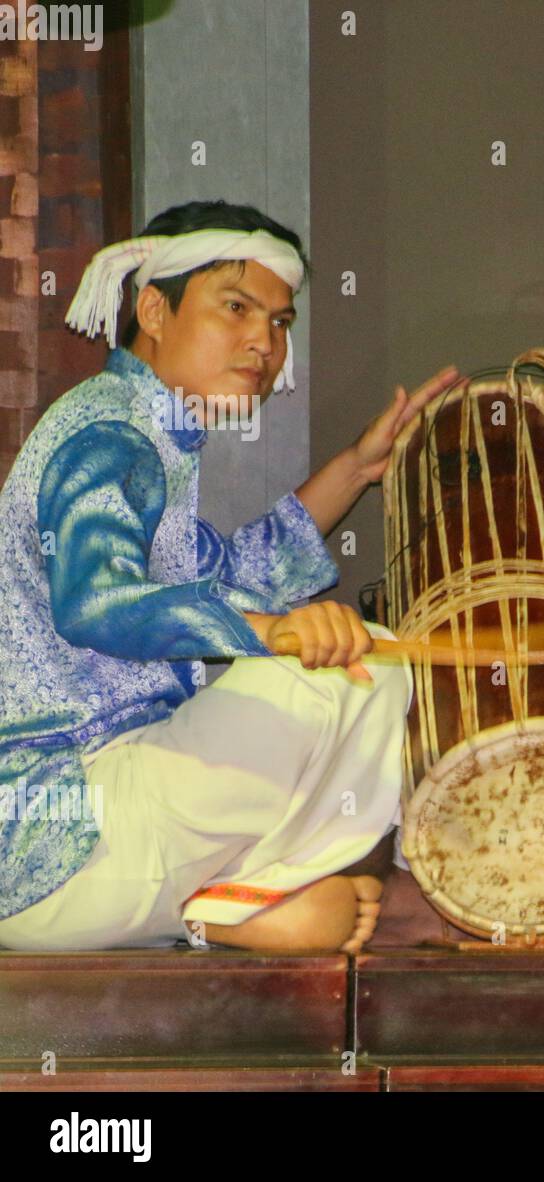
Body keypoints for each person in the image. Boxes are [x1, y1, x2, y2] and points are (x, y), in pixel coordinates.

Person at [0, 200, 461, 953]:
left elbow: (233, 576)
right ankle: (254, 895)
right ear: (154, 307)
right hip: (60, 835)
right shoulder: (106, 432)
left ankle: (230, 903)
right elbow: (98, 602)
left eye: (280, 322)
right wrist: (278, 633)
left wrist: (352, 473)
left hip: (102, 849)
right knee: (348, 670)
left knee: (363, 661)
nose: (264, 343)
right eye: (237, 308)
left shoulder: (149, 437)